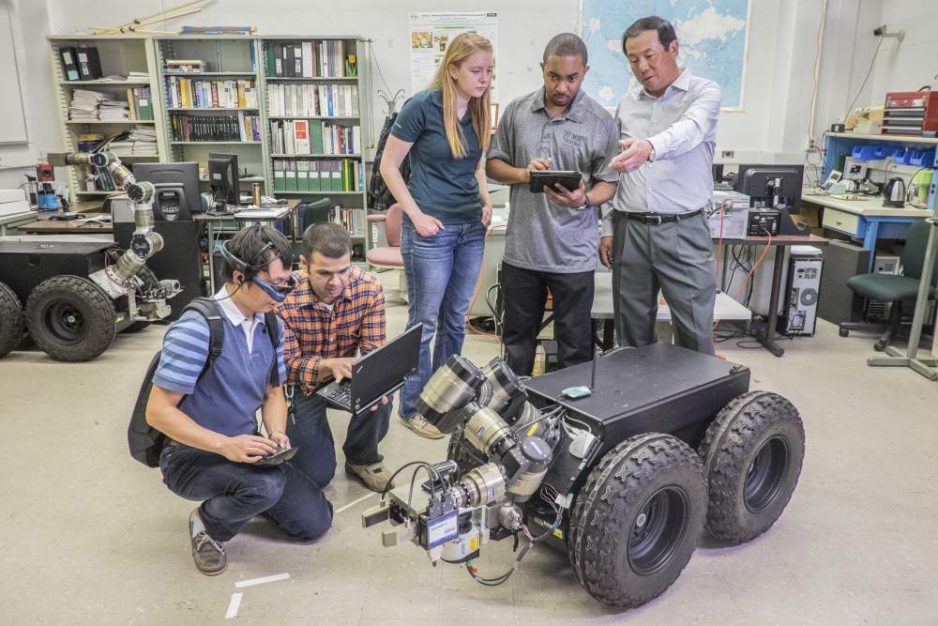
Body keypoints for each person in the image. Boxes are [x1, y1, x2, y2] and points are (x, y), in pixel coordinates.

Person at [146, 224, 332, 576]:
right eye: (274, 286)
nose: (281, 297)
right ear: (238, 276)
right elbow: (158, 412)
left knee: (315, 522)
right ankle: (207, 525)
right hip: (190, 454)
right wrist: (225, 445)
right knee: (266, 485)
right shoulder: (197, 328)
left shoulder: (269, 323)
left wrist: (276, 432)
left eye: (287, 285)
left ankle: (243, 496)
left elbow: (273, 391)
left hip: (245, 446)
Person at [379, 32, 494, 439]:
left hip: (470, 229)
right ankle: (413, 407)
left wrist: (485, 199)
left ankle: (445, 403)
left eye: (489, 71)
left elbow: (475, 166)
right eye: (476, 71)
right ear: (453, 70)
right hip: (431, 230)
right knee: (423, 324)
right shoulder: (421, 108)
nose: (484, 79)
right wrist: (416, 215)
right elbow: (389, 167)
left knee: (455, 322)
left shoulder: (480, 111)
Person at [486, 33, 619, 375]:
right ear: (542, 68)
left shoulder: (602, 121)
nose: (562, 87)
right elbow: (493, 165)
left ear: (585, 72)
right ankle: (516, 415)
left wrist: (584, 198)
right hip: (523, 253)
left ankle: (569, 419)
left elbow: (609, 183)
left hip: (573, 257)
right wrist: (523, 173)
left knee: (575, 348)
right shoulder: (517, 111)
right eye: (554, 76)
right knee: (517, 344)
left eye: (571, 78)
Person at [600, 16, 721, 355]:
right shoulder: (627, 104)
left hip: (682, 229)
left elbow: (689, 131)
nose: (642, 66)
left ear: (673, 48)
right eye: (633, 59)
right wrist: (607, 228)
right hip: (630, 231)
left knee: (695, 332)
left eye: (649, 55)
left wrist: (650, 148)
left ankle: (697, 406)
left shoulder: (704, 93)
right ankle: (640, 404)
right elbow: (614, 170)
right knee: (632, 333)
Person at [277, 223, 394, 492]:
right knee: (317, 475)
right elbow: (286, 367)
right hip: (299, 386)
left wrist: (376, 379)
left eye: (343, 270)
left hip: (346, 376)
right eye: (324, 273)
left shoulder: (369, 288)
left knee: (383, 393)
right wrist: (328, 365)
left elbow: (374, 351)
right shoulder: (283, 298)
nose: (336, 282)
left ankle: (361, 457)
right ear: (304, 264)